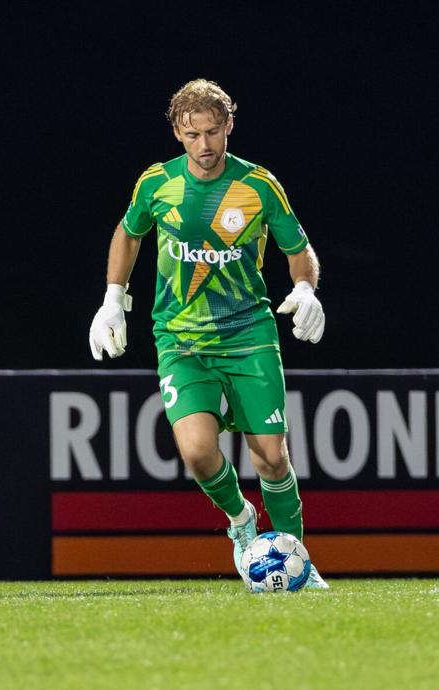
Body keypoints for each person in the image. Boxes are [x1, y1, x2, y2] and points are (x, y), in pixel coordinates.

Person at [88, 78, 328, 590]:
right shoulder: (157, 183)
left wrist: (306, 288)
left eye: (213, 131)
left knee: (272, 457)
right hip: (181, 340)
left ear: (229, 127)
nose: (204, 144)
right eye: (193, 134)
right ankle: (241, 520)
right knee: (198, 453)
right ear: (177, 132)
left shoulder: (258, 185)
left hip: (249, 335)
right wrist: (113, 298)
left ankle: (298, 564)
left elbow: (298, 248)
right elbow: (129, 233)